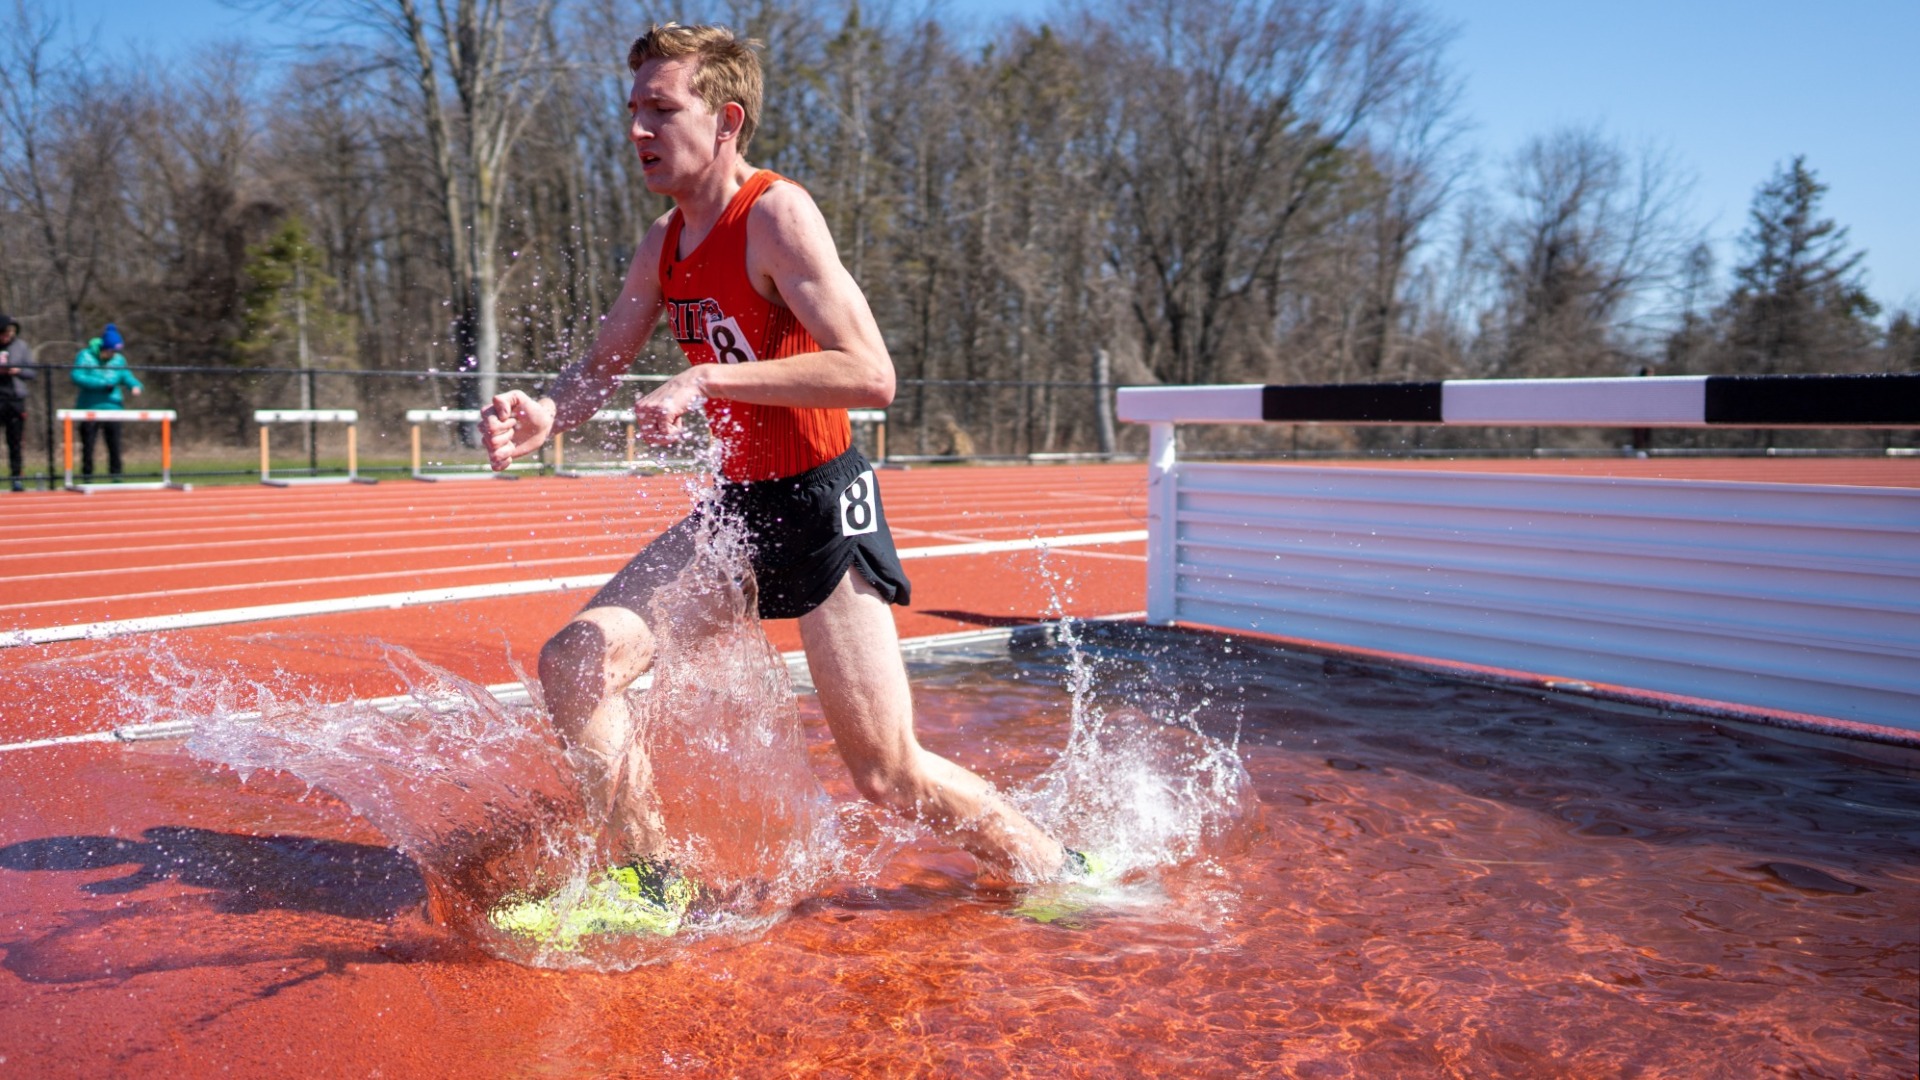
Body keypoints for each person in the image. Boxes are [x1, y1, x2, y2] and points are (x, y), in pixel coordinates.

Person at [481, 23, 1085, 940]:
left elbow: (870, 373)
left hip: (820, 504)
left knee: (886, 775)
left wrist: (708, 378)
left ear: (725, 120)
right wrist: (546, 417)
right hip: (737, 515)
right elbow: (602, 364)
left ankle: (1058, 867)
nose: (638, 129)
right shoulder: (664, 242)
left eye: (661, 108)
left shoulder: (776, 214)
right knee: (575, 664)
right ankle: (651, 882)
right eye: (632, 110)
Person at [71, 323, 143, 481]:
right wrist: (101, 384)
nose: (112, 355)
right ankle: (87, 476)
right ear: (104, 348)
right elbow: (77, 376)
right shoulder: (85, 356)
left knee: (114, 445)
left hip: (113, 407)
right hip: (89, 407)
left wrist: (135, 385)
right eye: (110, 351)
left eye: (115, 352)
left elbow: (126, 376)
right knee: (88, 445)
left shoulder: (118, 360)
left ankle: (116, 475)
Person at [0, 315, 32, 491]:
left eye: (9, 333)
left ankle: (16, 477)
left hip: (15, 399)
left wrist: (18, 371)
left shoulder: (21, 347)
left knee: (15, 441)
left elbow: (32, 371)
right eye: (3, 334)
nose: (7, 337)